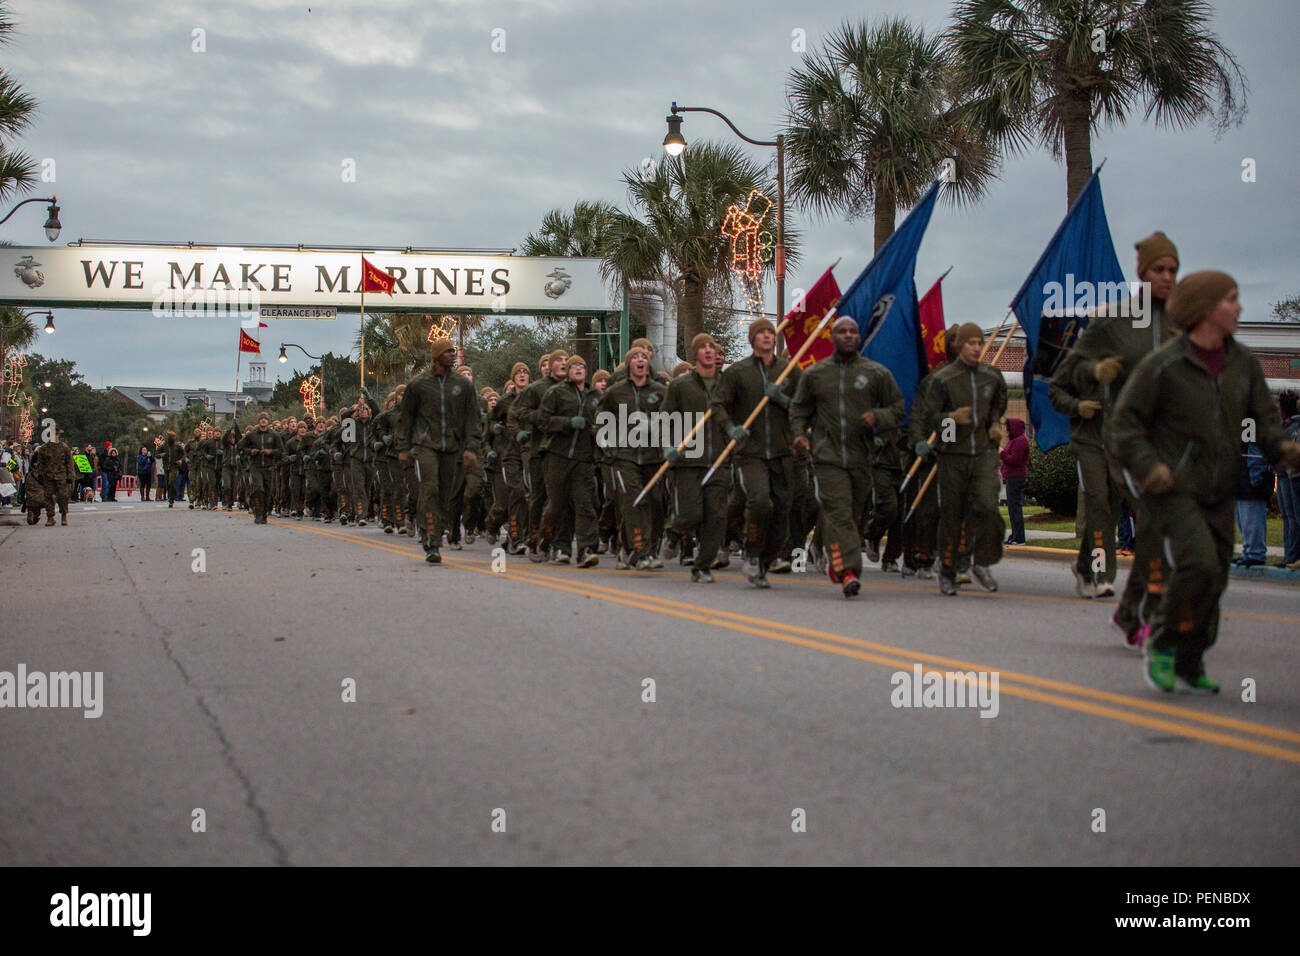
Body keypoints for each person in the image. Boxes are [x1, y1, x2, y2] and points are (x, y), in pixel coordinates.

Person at [1108, 270, 1300, 693]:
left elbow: (1266, 425)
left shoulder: (1244, 364)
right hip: (1172, 490)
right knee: (1195, 564)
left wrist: (1284, 451)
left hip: (1220, 490)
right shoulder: (1164, 364)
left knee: (1216, 577)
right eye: (1230, 299)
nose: (1239, 307)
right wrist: (1148, 467)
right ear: (1204, 310)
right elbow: (1123, 425)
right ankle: (1162, 640)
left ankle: (1190, 658)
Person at [1050, 231, 1179, 612]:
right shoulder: (1113, 322)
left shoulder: (1180, 324)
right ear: (1143, 273)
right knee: (1101, 505)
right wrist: (1093, 374)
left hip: (1140, 438)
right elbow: (1062, 380)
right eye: (1159, 269)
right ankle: (1102, 577)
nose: (1168, 277)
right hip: (1094, 435)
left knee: (1145, 505)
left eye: (1173, 269)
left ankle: (1086, 567)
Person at [791, 315, 905, 598]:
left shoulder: (875, 373)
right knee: (839, 511)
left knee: (852, 516)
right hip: (826, 456)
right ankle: (849, 571)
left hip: (861, 456)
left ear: (859, 336)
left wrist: (877, 416)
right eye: (842, 331)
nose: (848, 335)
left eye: (853, 331)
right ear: (832, 337)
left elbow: (898, 407)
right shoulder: (816, 374)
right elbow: (798, 409)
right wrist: (800, 435)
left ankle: (832, 556)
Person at [913, 322, 1008, 596]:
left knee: (986, 507)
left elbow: (997, 406)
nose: (977, 347)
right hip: (953, 454)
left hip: (983, 454)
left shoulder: (992, 376)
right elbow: (930, 416)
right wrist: (950, 420)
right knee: (952, 515)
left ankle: (980, 561)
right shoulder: (943, 379)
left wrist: (994, 424)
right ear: (959, 345)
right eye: (971, 343)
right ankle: (947, 569)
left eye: (980, 342)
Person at [710, 317, 802, 587]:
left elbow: (804, 406)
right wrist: (730, 428)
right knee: (760, 502)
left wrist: (784, 400)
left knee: (782, 508)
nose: (766, 336)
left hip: (783, 452)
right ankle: (751, 553)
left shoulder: (789, 372)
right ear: (752, 340)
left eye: (769, 333)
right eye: (760, 333)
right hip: (750, 451)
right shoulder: (738, 372)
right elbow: (718, 405)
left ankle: (767, 560)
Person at [396, 337, 481, 564]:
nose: (452, 355)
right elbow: (406, 419)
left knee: (445, 495)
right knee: (430, 488)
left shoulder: (463, 386)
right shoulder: (418, 385)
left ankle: (435, 530)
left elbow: (472, 419)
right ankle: (431, 540)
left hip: (451, 447)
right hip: (425, 446)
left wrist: (471, 447)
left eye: (454, 351)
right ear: (436, 356)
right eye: (447, 352)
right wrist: (403, 447)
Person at [663, 334, 730, 582]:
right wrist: (668, 444)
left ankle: (702, 566)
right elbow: (665, 419)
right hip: (688, 461)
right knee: (690, 514)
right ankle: (674, 531)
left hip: (719, 459)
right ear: (695, 354)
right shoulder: (681, 386)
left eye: (712, 347)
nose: (709, 351)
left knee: (716, 516)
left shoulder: (728, 384)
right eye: (703, 347)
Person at [598, 346, 669, 570]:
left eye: (644, 357)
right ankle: (642, 553)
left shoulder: (659, 391)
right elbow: (600, 417)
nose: (641, 360)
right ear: (629, 364)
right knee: (633, 502)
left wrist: (665, 437)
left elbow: (672, 419)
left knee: (654, 505)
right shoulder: (616, 391)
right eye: (635, 357)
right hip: (624, 456)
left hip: (653, 457)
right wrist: (605, 440)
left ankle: (628, 546)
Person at [537, 353, 602, 565]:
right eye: (573, 366)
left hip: (584, 458)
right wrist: (567, 422)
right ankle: (552, 543)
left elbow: (606, 420)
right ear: (568, 372)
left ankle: (586, 550)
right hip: (558, 456)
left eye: (582, 366)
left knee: (584, 504)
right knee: (558, 505)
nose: (578, 369)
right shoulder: (556, 392)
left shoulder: (596, 396)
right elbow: (543, 422)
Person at [238, 411, 284, 524]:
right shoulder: (252, 435)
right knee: (258, 489)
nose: (263, 420)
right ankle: (257, 512)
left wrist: (271, 452)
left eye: (265, 419)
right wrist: (250, 451)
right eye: (261, 418)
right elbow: (241, 447)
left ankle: (264, 513)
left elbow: (281, 451)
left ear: (268, 421)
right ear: (258, 421)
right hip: (255, 466)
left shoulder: (274, 435)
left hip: (269, 467)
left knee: (268, 492)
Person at [1231, 438, 1271, 568]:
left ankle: (1255, 552)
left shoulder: (1252, 424)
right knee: (1242, 516)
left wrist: (1256, 474)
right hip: (1243, 472)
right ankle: (1249, 550)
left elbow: (1256, 450)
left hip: (1250, 472)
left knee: (1251, 515)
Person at [32, 430, 75, 525]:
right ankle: (50, 517)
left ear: (58, 436)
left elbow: (69, 463)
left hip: (61, 476)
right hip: (48, 476)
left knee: (63, 497)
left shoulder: (64, 448)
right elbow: (40, 463)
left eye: (56, 435)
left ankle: (64, 516)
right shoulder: (43, 448)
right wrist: (39, 475)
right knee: (48, 497)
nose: (54, 437)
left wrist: (70, 476)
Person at [1278, 391, 1300, 568]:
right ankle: (1289, 555)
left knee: (1293, 517)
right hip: (1284, 474)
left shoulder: (1294, 426)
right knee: (1287, 516)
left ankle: (1293, 555)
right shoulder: (1284, 425)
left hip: (1292, 474)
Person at [1000, 418, 1029, 545]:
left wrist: (1001, 453)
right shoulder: (1014, 441)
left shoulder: (1020, 441)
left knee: (1015, 508)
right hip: (1011, 476)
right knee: (1012, 508)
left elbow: (1014, 460)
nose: (1005, 429)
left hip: (1016, 477)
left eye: (1007, 427)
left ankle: (1019, 538)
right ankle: (1015, 535)